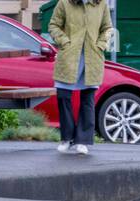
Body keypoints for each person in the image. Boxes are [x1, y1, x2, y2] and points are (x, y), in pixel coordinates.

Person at [48, 0, 112, 155]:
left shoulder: (101, 4)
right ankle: (67, 138)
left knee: (88, 99)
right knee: (63, 96)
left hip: (92, 57)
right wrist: (64, 41)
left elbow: (107, 28)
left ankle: (82, 140)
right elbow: (53, 25)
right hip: (69, 56)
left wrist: (101, 44)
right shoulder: (65, 3)